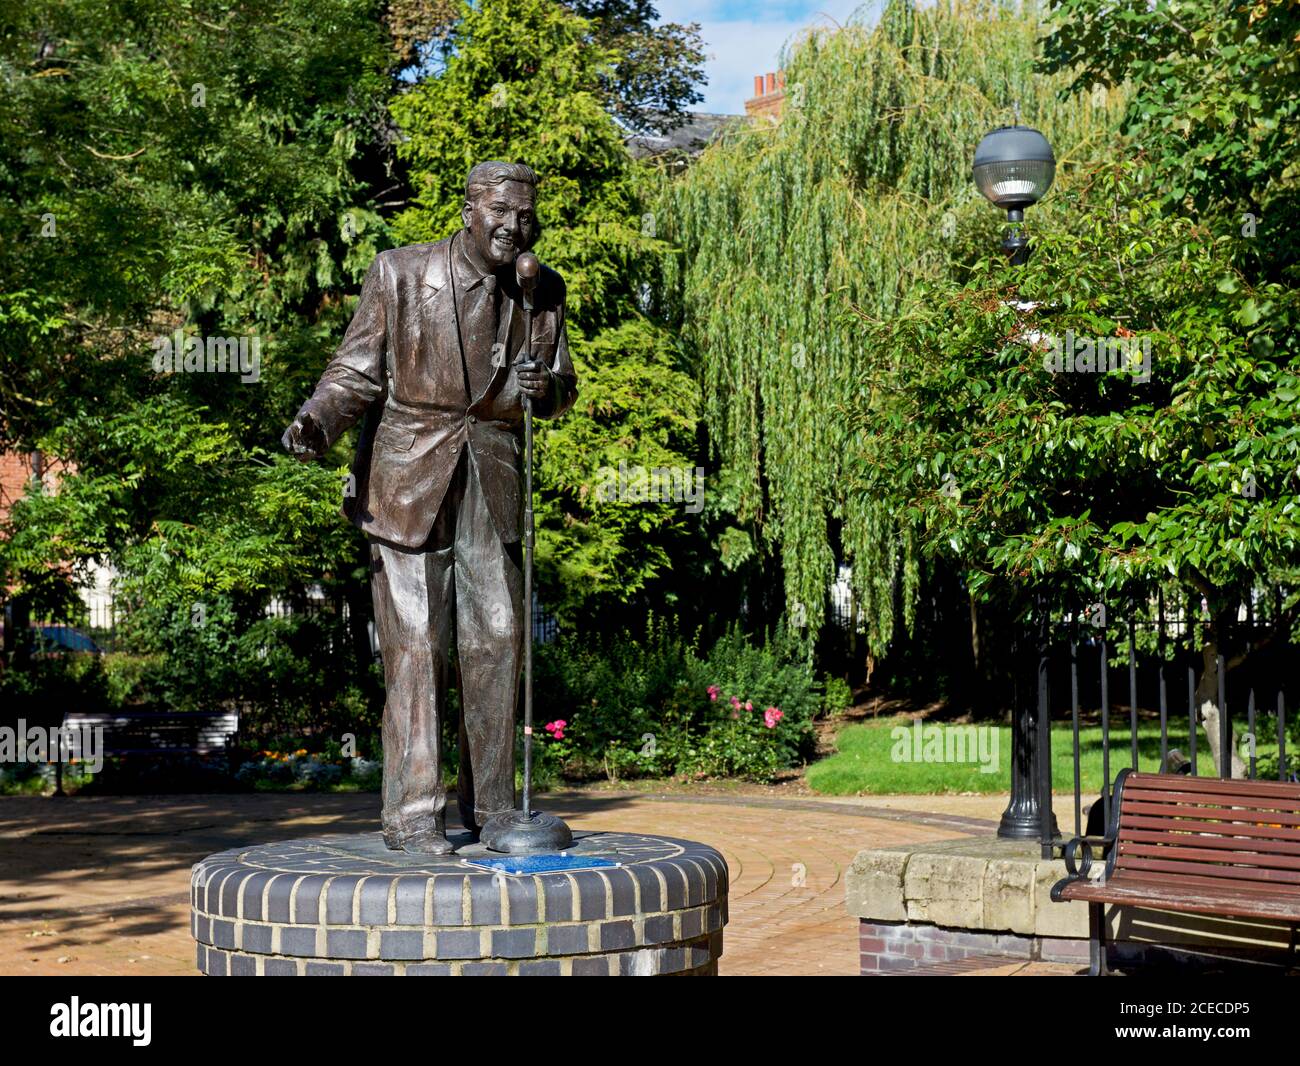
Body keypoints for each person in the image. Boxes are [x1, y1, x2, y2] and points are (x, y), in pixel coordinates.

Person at [282, 161, 577, 853]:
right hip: (407, 477)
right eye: (503, 211)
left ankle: (496, 809)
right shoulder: (401, 273)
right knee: (417, 645)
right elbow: (356, 370)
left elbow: (563, 385)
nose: (515, 226)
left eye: (527, 215)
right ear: (470, 210)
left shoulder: (541, 289)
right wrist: (317, 424)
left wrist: (542, 389)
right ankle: (414, 814)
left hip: (492, 476)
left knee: (499, 637)